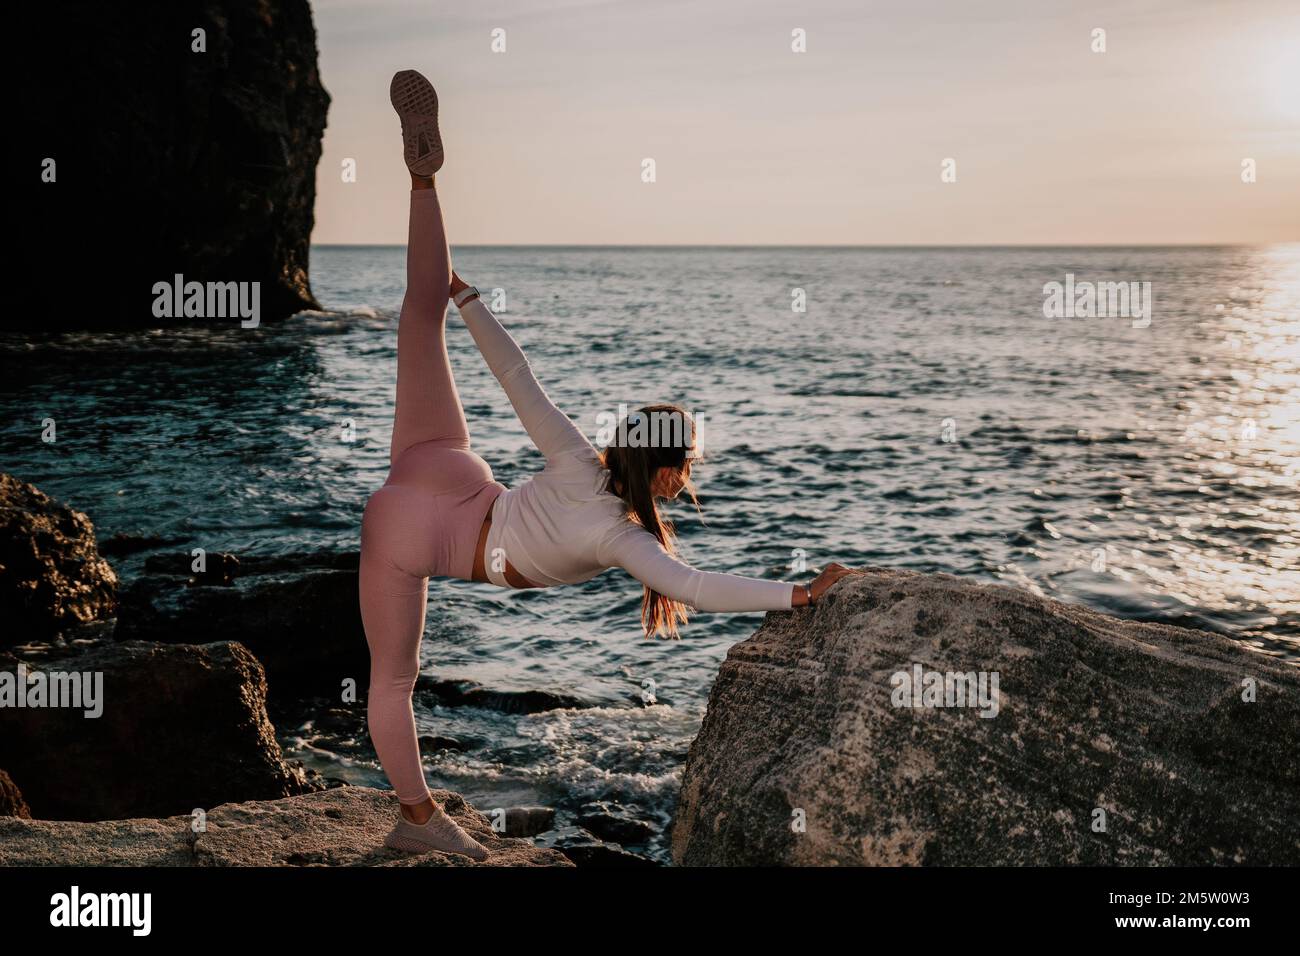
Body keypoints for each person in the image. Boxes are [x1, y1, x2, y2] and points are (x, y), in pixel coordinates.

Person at [360, 69, 856, 859]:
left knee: (420, 319)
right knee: (392, 685)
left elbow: (518, 378)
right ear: (663, 474)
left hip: (446, 465)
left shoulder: (577, 459)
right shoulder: (618, 537)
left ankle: (423, 181)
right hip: (421, 539)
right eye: (687, 464)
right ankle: (419, 827)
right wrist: (795, 593)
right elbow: (693, 587)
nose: (689, 476)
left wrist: (471, 299)